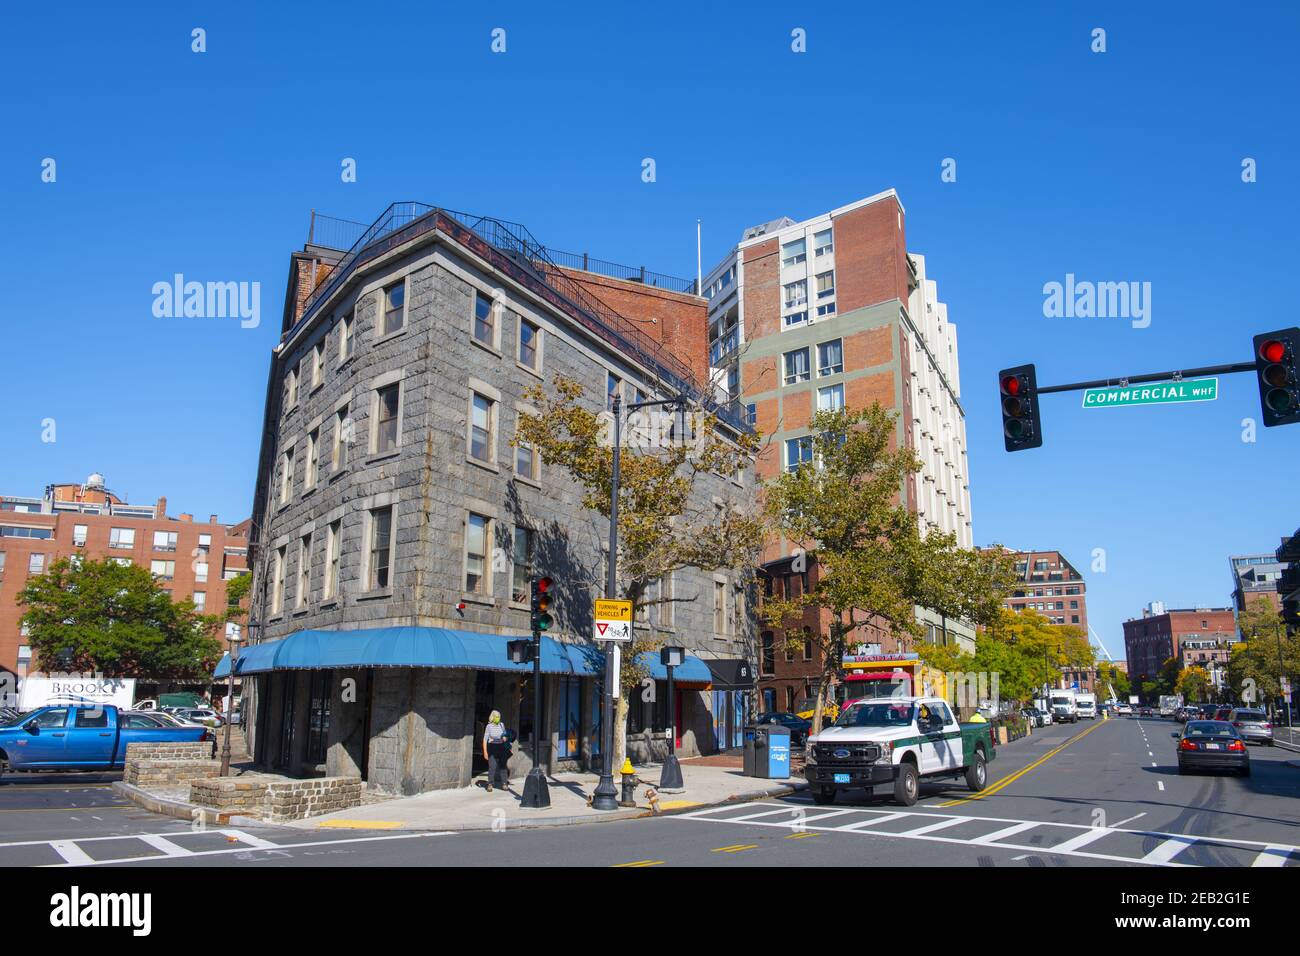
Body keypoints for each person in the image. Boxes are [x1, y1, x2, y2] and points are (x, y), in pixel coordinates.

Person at [482, 710, 510, 792]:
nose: (498, 718)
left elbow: (505, 735)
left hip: (501, 747)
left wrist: (505, 738)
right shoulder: (489, 726)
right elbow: (485, 740)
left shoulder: (501, 725)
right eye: (497, 717)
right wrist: (485, 752)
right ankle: (490, 784)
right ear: (493, 717)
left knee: (503, 766)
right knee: (492, 766)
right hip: (492, 747)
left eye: (499, 716)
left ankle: (504, 783)